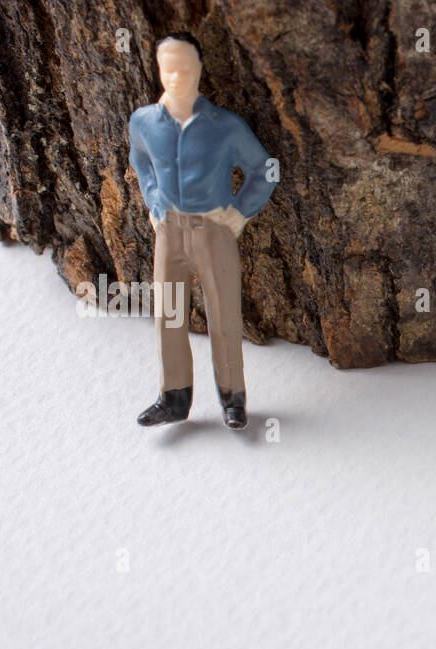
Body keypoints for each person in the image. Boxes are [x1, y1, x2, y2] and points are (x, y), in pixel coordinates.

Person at [127, 31, 277, 430]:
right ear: (159, 70)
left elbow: (267, 169)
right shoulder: (143, 122)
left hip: (213, 230)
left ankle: (233, 398)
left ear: (199, 70)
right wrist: (154, 199)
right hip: (169, 232)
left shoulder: (224, 126)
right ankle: (173, 396)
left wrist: (240, 212)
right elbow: (139, 160)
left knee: (224, 315)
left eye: (186, 68)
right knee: (169, 314)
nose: (177, 77)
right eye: (169, 68)